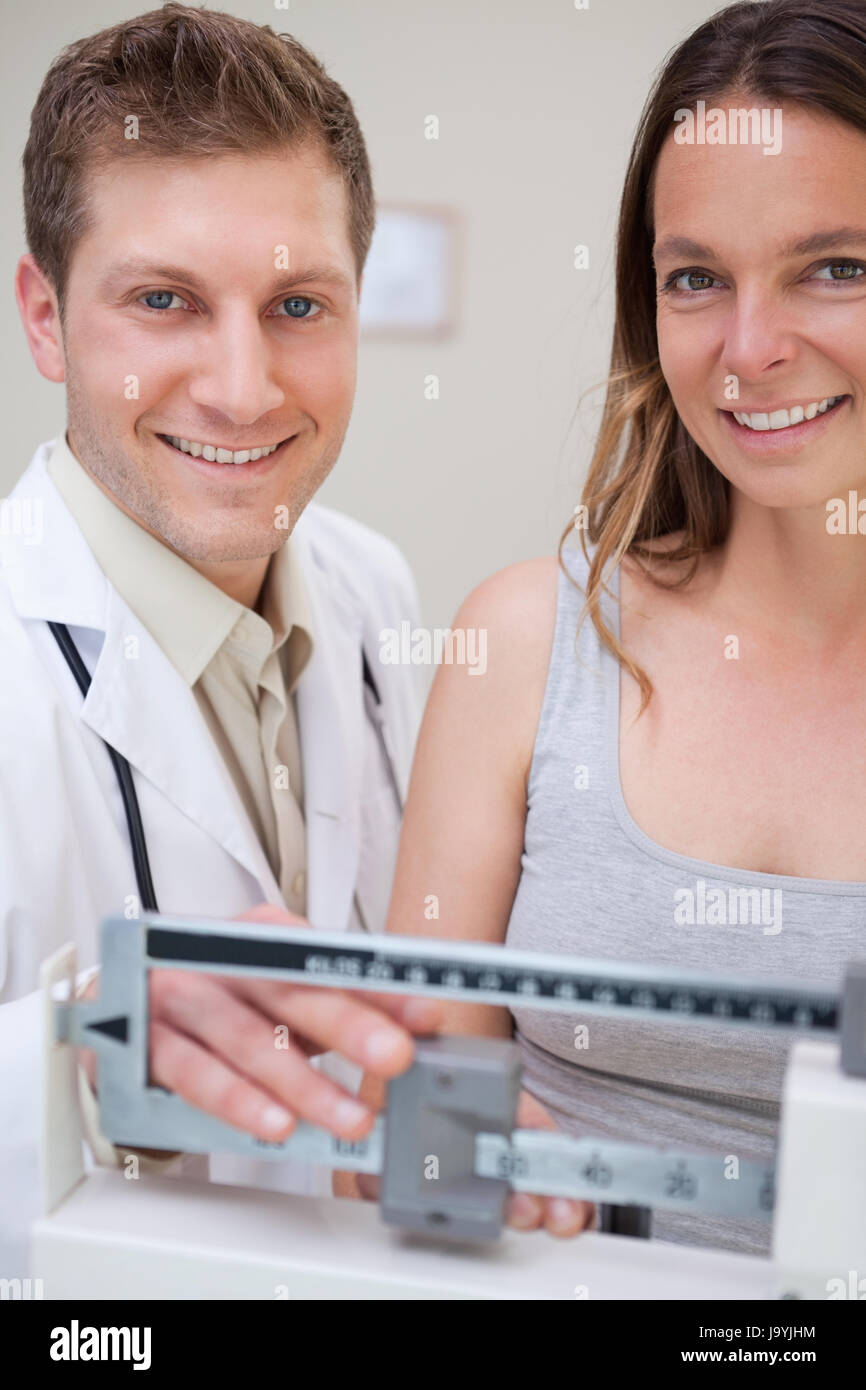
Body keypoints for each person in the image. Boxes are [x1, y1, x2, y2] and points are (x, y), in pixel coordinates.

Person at [337, 0, 866, 1255]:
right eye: (695, 277)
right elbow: (406, 1139)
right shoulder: (526, 646)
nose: (747, 350)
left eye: (832, 266)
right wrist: (441, 1153)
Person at [0, 3, 447, 1278]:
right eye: (164, 300)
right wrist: (80, 1045)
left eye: (298, 304)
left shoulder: (375, 590)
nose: (244, 387)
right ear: (45, 317)